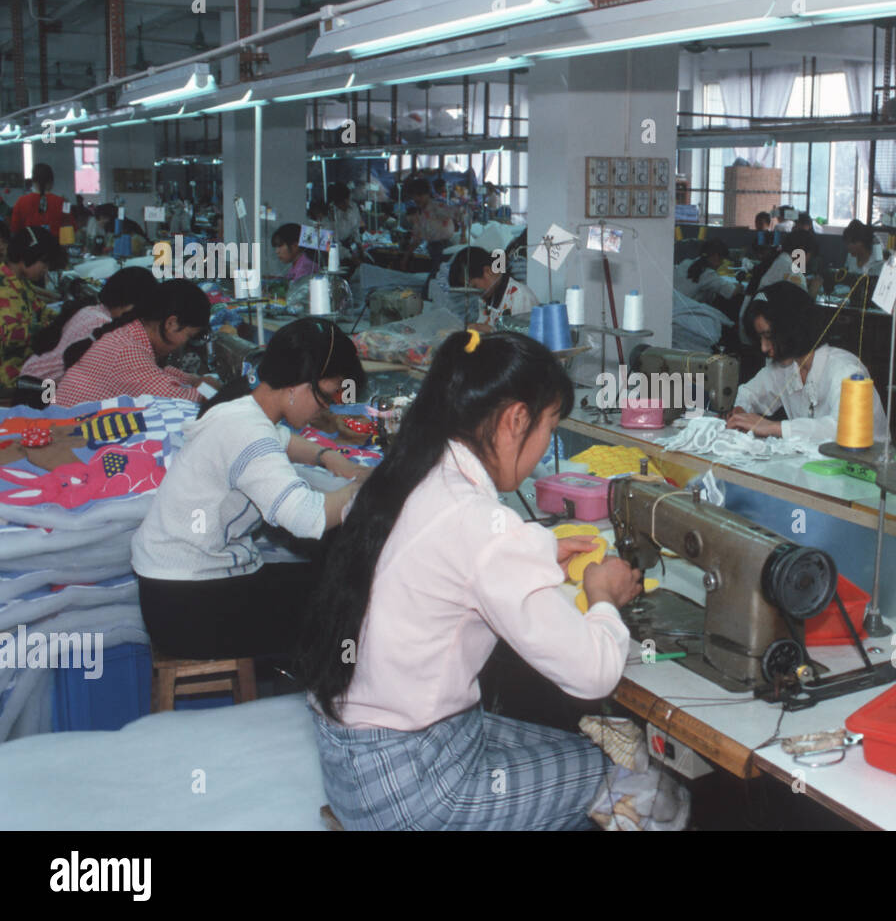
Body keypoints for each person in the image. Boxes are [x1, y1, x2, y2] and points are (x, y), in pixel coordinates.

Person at [300, 330, 642, 830]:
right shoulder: (481, 525)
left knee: (579, 743)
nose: (547, 444)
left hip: (355, 766)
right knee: (629, 773)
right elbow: (595, 673)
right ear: (515, 420)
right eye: (550, 427)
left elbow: (439, 550)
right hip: (414, 792)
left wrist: (541, 547)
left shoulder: (402, 477)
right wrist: (603, 597)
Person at [132, 319, 369, 659]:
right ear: (297, 385)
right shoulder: (248, 431)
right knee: (345, 603)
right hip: (189, 609)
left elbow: (281, 441)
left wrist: (327, 456)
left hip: (171, 590)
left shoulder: (240, 406)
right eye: (326, 395)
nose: (326, 407)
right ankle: (331, 696)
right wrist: (364, 487)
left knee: (321, 578)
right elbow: (306, 517)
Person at [727, 283, 888, 444]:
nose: (763, 347)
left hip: (863, 464)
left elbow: (846, 429)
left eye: (769, 335)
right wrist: (741, 412)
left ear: (792, 326)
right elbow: (750, 393)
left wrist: (774, 427)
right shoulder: (786, 367)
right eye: (760, 338)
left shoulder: (847, 371)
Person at [56, 279, 214, 405]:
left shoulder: (130, 333)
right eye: (189, 335)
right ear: (171, 324)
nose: (185, 343)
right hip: (66, 434)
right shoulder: (127, 350)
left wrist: (192, 379)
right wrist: (211, 387)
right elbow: (181, 399)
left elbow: (156, 372)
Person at [21, 266, 157, 384]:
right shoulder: (102, 325)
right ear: (130, 303)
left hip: (32, 375)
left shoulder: (92, 310)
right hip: (42, 387)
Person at [0, 226, 67, 388]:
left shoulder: (20, 283)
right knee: (58, 387)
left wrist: (69, 317)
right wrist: (48, 328)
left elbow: (40, 311)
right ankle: (47, 411)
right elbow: (8, 336)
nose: (45, 269)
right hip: (9, 378)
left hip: (25, 367)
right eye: (43, 263)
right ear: (26, 257)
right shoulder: (4, 288)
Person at [451, 246, 539, 333]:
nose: (476, 293)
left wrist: (487, 329)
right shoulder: (488, 297)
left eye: (474, 286)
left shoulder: (520, 297)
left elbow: (522, 337)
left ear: (488, 271)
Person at [400, 176, 456, 272]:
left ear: (427, 194)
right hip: (433, 248)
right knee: (437, 278)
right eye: (414, 196)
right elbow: (416, 238)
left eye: (420, 195)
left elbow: (463, 214)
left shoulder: (438, 207)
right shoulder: (420, 214)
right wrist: (405, 258)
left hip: (444, 247)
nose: (417, 198)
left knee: (437, 279)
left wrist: (463, 235)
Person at [9, 163, 71, 234]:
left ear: (33, 181)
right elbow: (69, 229)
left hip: (28, 243)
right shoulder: (63, 203)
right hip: (54, 244)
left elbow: (14, 229)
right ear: (51, 182)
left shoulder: (21, 201)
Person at [674, 238, 739, 305]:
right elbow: (732, 292)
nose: (722, 263)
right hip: (687, 311)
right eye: (722, 259)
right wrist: (740, 286)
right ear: (716, 257)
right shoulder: (708, 274)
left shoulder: (685, 263)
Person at [327, 182, 363, 249]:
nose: (345, 205)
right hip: (336, 248)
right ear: (336, 203)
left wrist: (359, 245)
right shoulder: (331, 213)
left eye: (347, 200)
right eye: (341, 203)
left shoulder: (354, 208)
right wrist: (347, 255)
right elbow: (332, 240)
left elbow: (355, 229)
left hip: (348, 245)